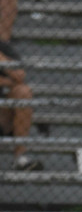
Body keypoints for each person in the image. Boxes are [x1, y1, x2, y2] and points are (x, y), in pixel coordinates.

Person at [0, 38, 42, 171]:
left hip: (2, 115)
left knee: (23, 92)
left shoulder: (2, 47)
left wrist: (1, 58)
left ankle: (20, 157)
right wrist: (7, 81)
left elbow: (20, 76)